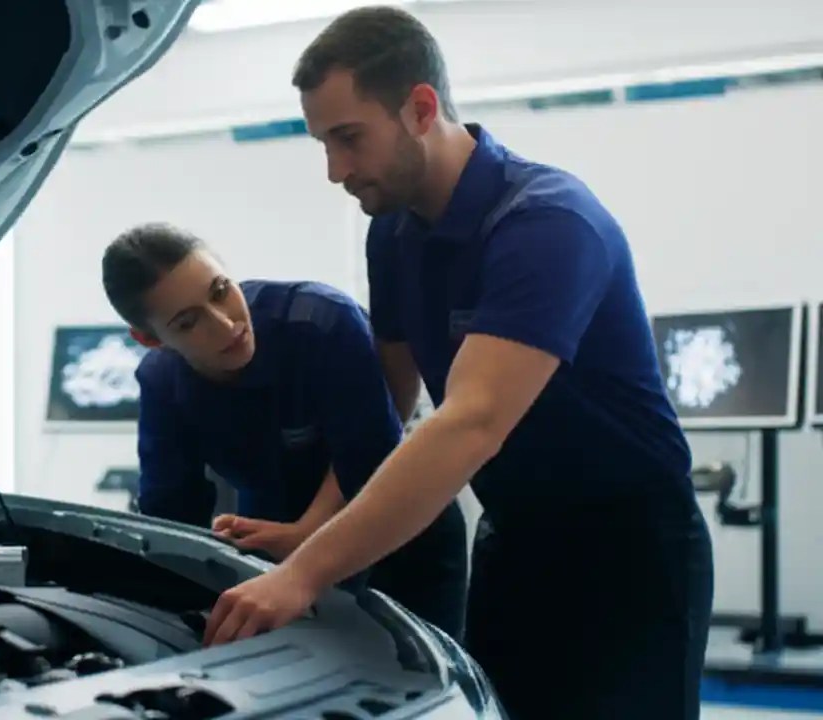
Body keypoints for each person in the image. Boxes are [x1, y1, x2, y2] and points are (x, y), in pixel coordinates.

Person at [201, 7, 715, 720]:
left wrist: (303, 575)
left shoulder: (546, 222)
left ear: (420, 108)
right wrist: (312, 529)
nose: (334, 171)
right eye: (322, 144)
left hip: (627, 548)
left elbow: (468, 423)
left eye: (349, 139)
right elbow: (382, 407)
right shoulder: (391, 234)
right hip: (513, 535)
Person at [101, 222, 469, 640]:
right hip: (275, 537)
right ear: (151, 340)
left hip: (402, 528)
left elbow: (368, 457)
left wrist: (306, 536)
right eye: (188, 323)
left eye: (221, 290)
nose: (226, 325)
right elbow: (171, 516)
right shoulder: (162, 384)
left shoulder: (321, 321)